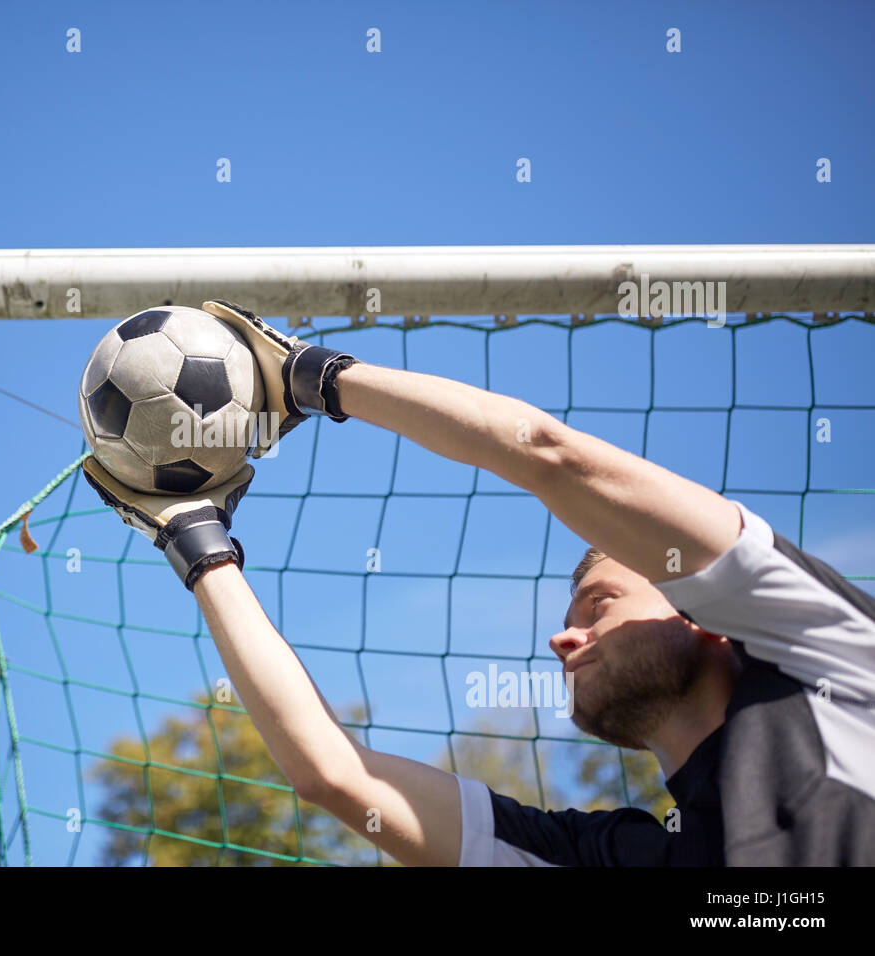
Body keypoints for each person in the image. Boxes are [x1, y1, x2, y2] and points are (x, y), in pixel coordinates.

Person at [82, 300, 875, 866]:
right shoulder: (617, 854)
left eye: (600, 605)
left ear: (706, 610)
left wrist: (309, 376)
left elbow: (543, 451)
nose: (565, 637)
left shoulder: (836, 655)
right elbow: (333, 775)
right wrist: (195, 542)